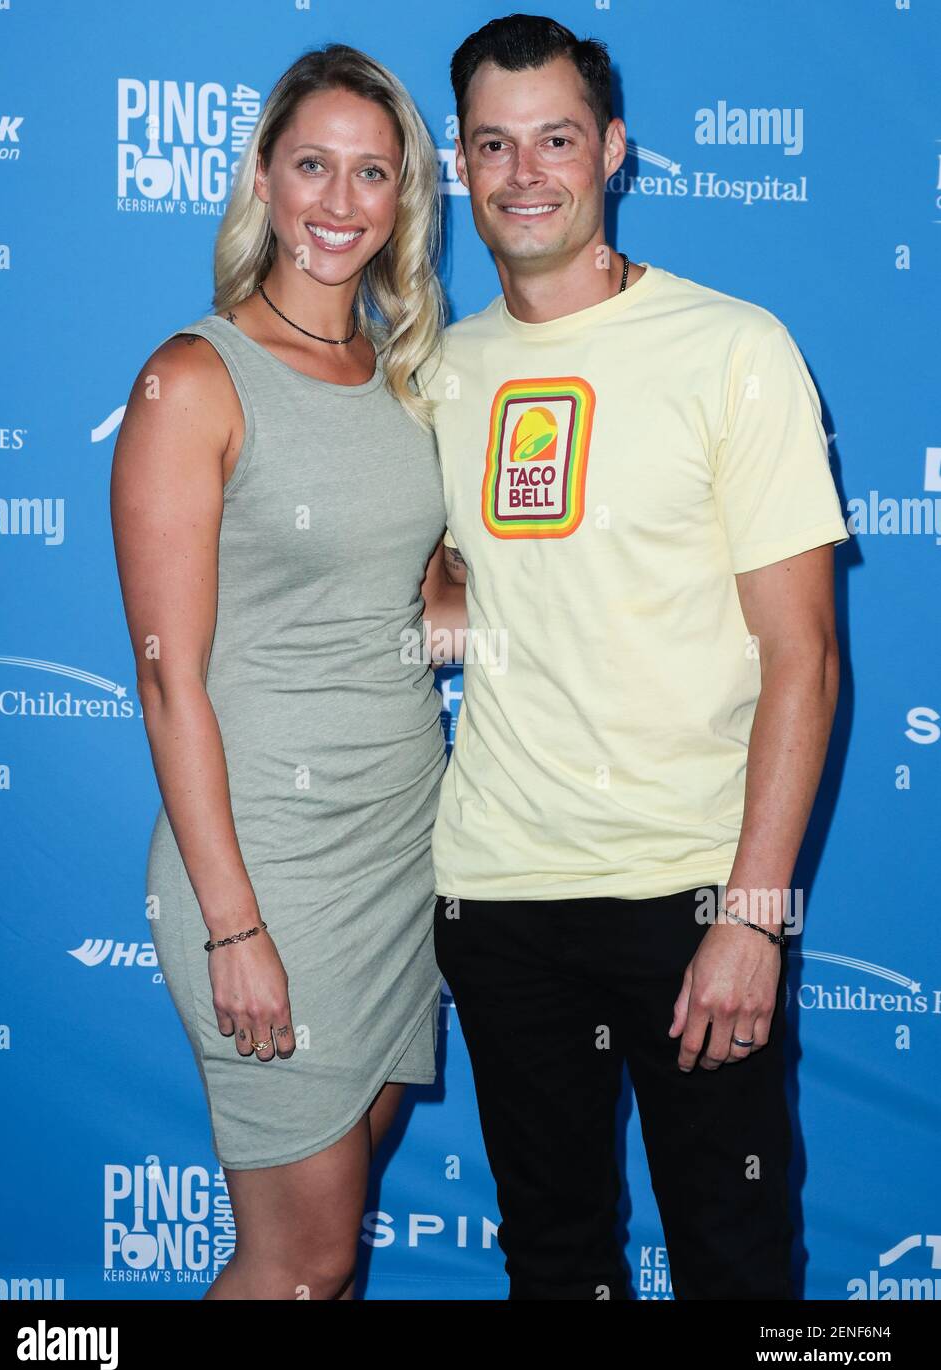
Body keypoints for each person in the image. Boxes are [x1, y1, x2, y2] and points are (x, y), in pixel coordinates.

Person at [420, 14, 850, 1300]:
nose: (524, 171)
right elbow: (455, 586)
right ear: (460, 163)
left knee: (735, 1266)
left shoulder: (733, 349)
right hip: (495, 895)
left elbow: (804, 658)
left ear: (611, 150)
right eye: (492, 143)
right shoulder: (441, 369)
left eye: (554, 137)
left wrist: (753, 919)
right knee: (555, 1262)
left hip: (690, 893)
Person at [110, 43, 465, 1301]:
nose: (339, 199)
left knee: (326, 1245)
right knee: (301, 1262)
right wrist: (235, 925)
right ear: (263, 175)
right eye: (312, 163)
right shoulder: (195, 378)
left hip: (397, 851)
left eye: (372, 172)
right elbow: (168, 680)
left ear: (402, 198)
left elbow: (419, 603)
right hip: (264, 861)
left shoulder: (408, 377)